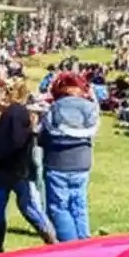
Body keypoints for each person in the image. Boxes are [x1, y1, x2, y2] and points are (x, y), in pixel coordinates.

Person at [0, 84, 55, 253]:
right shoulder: (21, 113)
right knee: (28, 207)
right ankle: (51, 238)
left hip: (5, 168)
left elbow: (12, 140)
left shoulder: (11, 113)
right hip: (18, 168)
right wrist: (31, 132)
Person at [39, 72, 99, 241]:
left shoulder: (54, 108)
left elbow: (44, 136)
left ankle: (71, 245)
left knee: (59, 207)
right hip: (82, 163)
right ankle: (84, 240)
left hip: (58, 163)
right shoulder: (90, 108)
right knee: (79, 204)